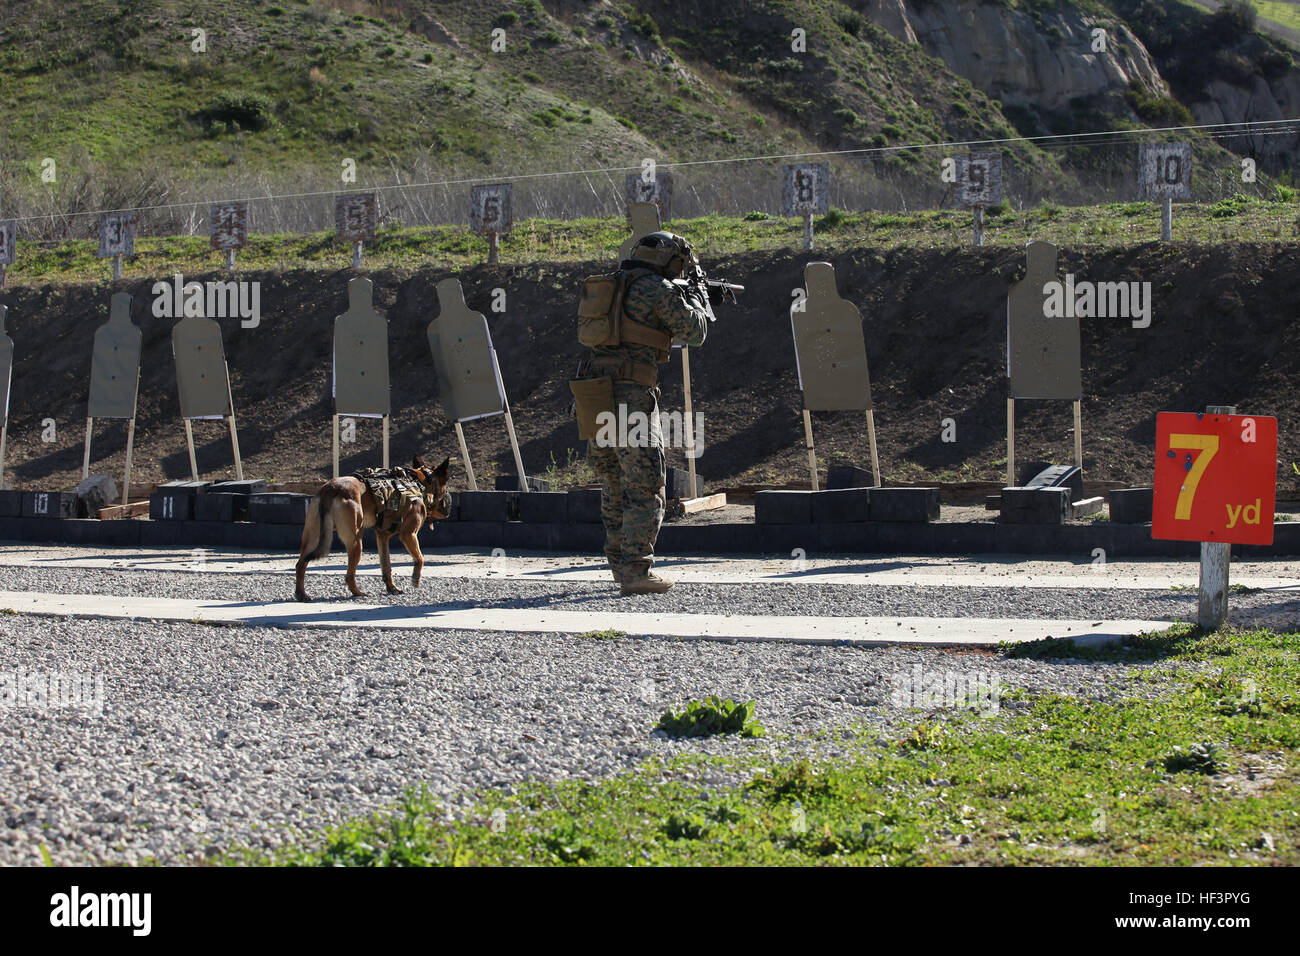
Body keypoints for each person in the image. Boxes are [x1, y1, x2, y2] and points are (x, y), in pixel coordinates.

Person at [575, 232, 710, 595]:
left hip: (595, 394)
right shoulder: (657, 288)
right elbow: (694, 332)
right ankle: (637, 570)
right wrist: (697, 297)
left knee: (615, 481)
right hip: (629, 396)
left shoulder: (612, 285)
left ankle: (620, 566)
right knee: (646, 484)